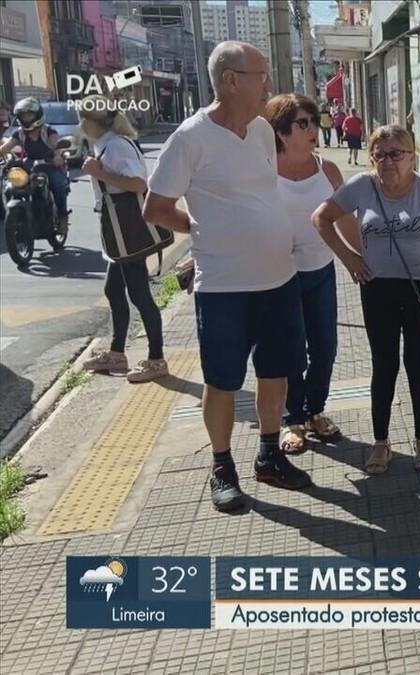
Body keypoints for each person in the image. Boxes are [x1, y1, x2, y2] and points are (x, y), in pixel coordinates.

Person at [143, 41, 311, 512]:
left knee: (277, 372)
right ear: (231, 79)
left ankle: (269, 454)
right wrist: (200, 228)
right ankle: (222, 466)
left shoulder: (259, 130)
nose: (268, 86)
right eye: (261, 76)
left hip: (279, 280)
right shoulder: (190, 138)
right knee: (223, 381)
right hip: (224, 289)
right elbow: (154, 208)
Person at [313, 125, 420, 475]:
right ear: (371, 157)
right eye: (380, 154)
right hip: (377, 289)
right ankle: (381, 442)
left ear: (412, 156)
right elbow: (321, 218)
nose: (388, 161)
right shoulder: (362, 186)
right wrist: (349, 258)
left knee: (418, 365)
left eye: (397, 154)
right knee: (384, 365)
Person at [265, 93, 348, 454]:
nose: (313, 128)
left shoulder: (326, 169)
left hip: (321, 270)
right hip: (280, 276)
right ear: (281, 131)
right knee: (290, 352)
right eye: (303, 123)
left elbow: (347, 217)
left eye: (314, 121)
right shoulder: (264, 170)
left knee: (325, 348)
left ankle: (315, 410)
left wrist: (364, 257)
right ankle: (293, 419)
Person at [77, 97, 168, 383]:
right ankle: (117, 353)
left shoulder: (115, 145)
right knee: (114, 290)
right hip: (116, 230)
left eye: (82, 120)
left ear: (91, 122)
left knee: (139, 294)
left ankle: (156, 359)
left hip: (126, 229)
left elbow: (139, 183)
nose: (79, 126)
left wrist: (99, 172)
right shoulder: (105, 142)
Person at [0, 98, 70, 233]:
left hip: (50, 164)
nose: (26, 118)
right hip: (30, 164)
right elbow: (5, 148)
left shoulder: (48, 130)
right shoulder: (18, 133)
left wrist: (56, 156)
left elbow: (56, 146)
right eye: (23, 115)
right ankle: (17, 218)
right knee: (10, 187)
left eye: (29, 114)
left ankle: (62, 217)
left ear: (37, 115)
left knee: (57, 184)